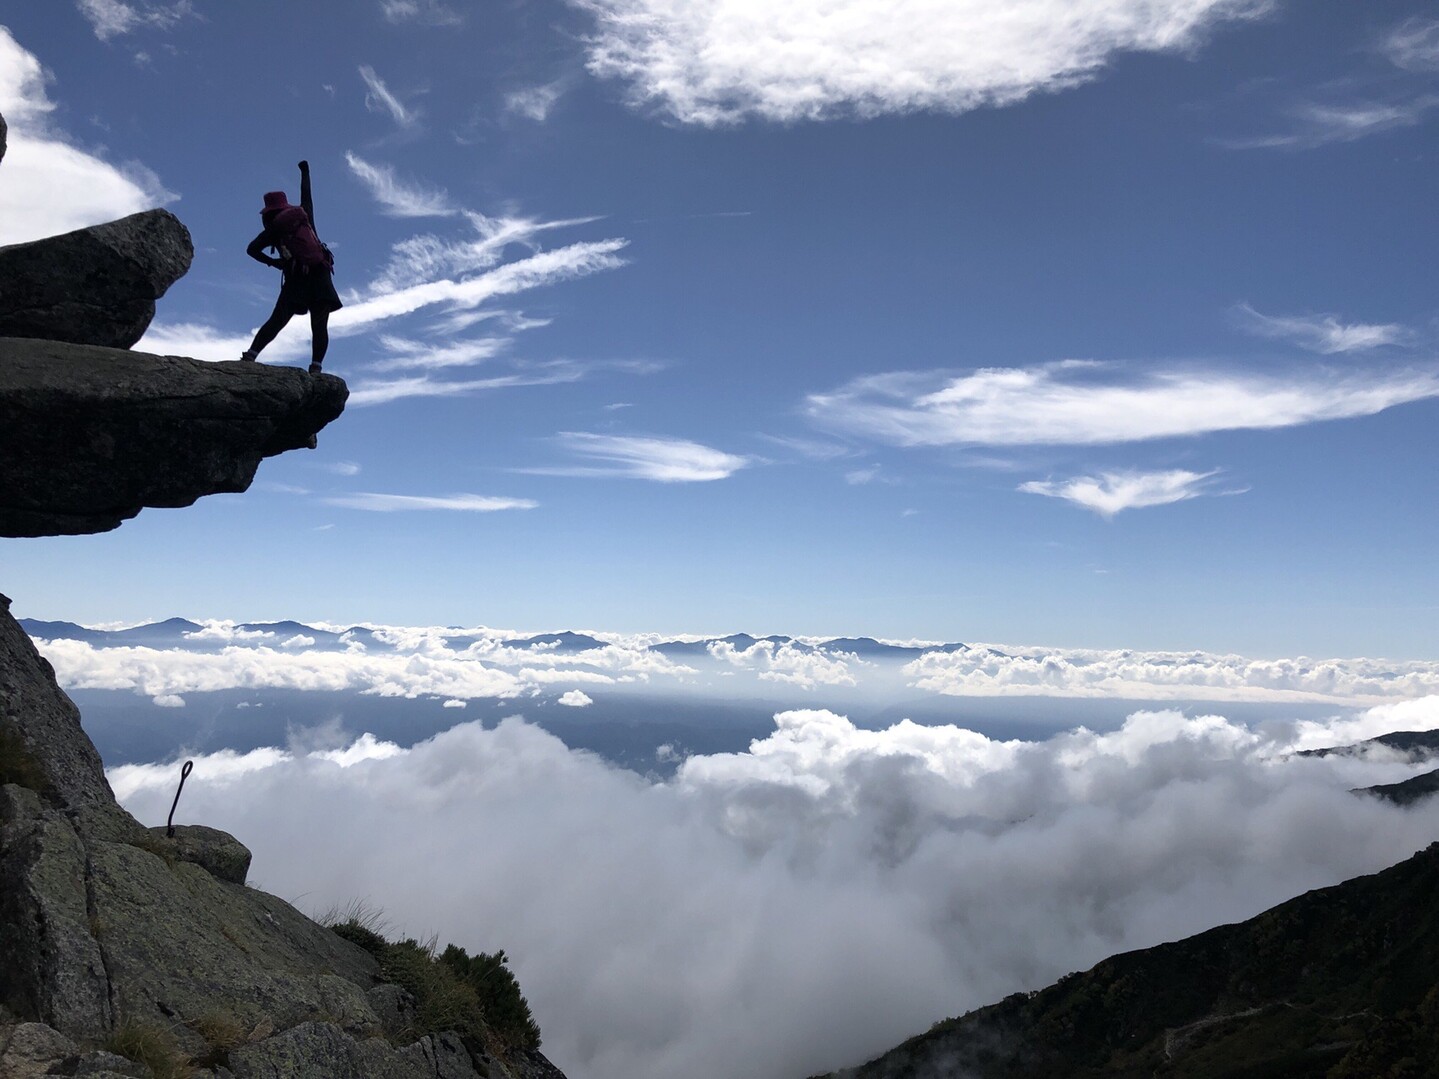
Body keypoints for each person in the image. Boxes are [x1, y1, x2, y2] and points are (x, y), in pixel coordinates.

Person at [241, 160, 341, 374]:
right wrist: (305, 172)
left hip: (296, 278)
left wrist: (275, 263)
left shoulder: (273, 229)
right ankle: (316, 367)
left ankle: (251, 354)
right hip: (321, 274)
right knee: (319, 325)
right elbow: (307, 196)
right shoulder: (304, 216)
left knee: (277, 320)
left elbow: (251, 249)